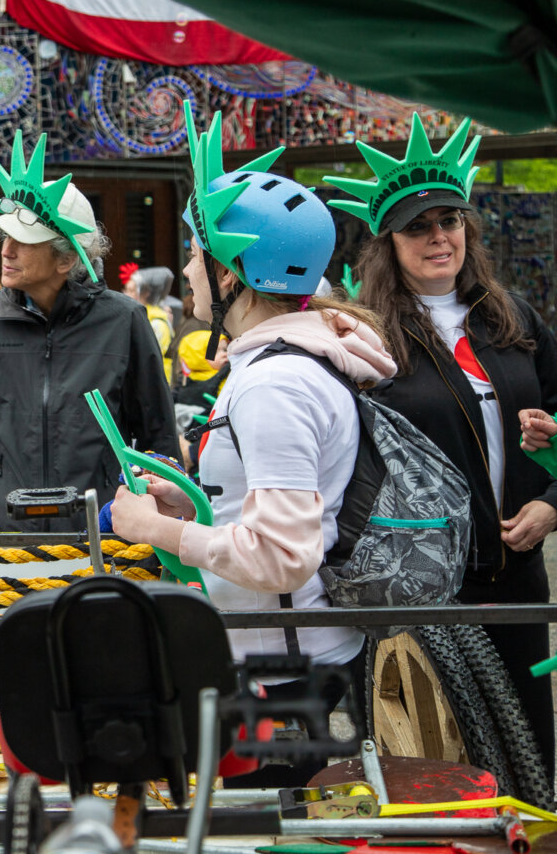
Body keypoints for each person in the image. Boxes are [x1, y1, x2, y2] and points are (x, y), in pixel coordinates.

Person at [112, 103, 395, 786]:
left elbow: (281, 556)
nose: (185, 270)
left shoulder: (275, 385)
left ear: (232, 274)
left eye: (195, 254)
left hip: (284, 674)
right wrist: (194, 506)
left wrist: (156, 530)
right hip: (287, 660)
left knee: (269, 827)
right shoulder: (281, 365)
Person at [332, 114, 557, 776]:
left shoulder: (512, 316)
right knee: (434, 764)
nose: (439, 236)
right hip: (421, 584)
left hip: (517, 575)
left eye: (450, 220)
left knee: (532, 756)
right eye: (418, 227)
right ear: (388, 243)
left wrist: (553, 500)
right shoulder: (362, 336)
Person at [0, 131, 177, 531]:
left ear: (66, 260)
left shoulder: (125, 320)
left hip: (101, 530)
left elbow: (159, 442)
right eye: (5, 236)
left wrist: (161, 536)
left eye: (24, 240)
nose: (6, 250)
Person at [129, 266, 177, 382]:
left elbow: (146, 357)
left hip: (155, 381)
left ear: (146, 293)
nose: (126, 294)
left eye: (131, 290)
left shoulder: (157, 323)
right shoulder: (143, 317)